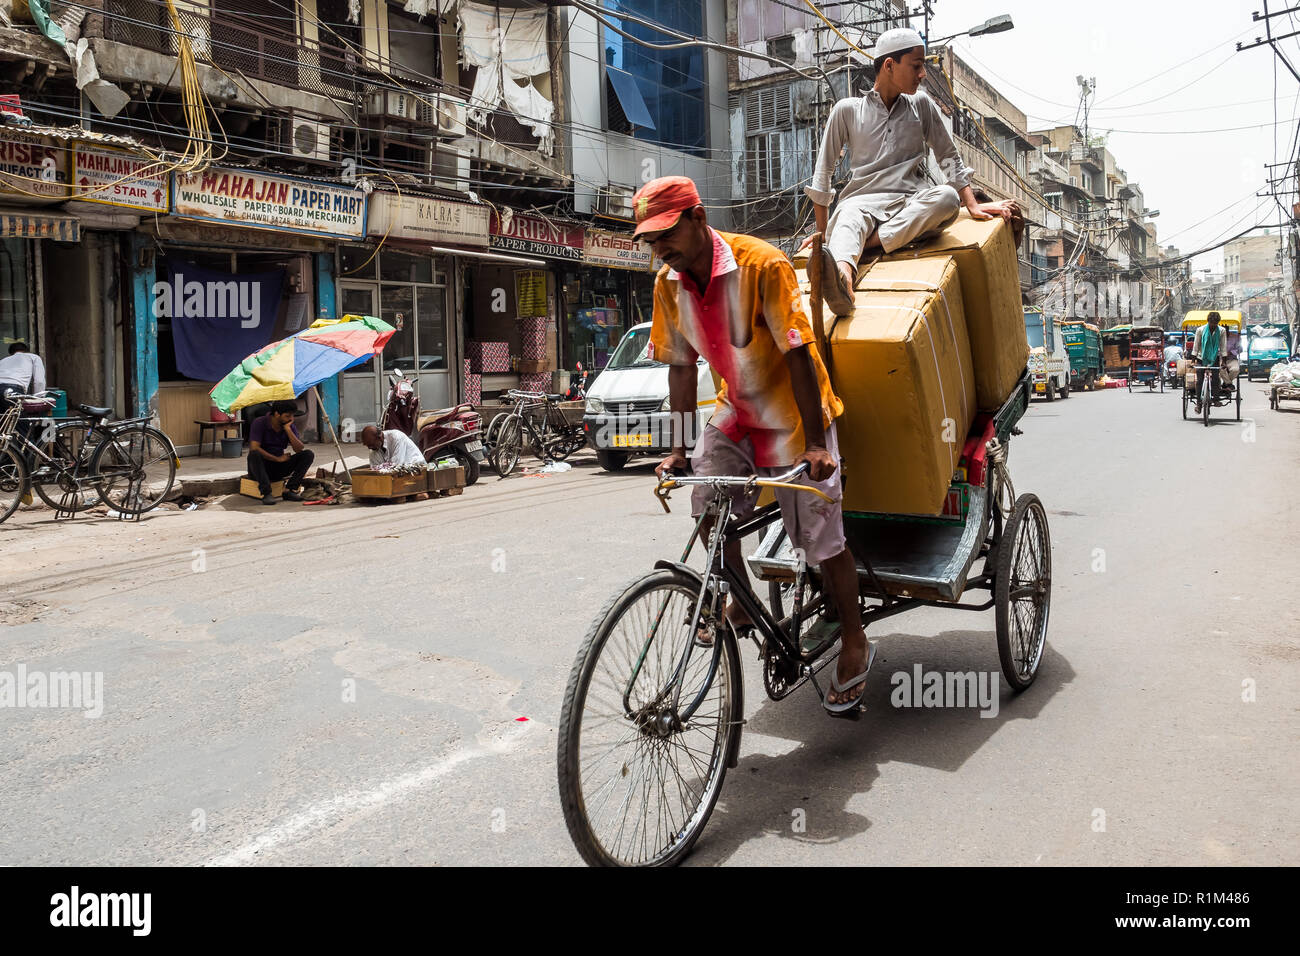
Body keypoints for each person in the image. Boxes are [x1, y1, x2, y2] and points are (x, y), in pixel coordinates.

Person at [634, 174, 872, 715]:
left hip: (793, 415)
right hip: (736, 409)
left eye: (667, 234)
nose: (661, 249)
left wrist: (816, 444)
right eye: (650, 241)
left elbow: (797, 354)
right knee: (706, 500)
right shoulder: (667, 285)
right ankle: (738, 602)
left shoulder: (762, 264)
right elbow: (678, 366)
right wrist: (677, 448)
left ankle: (854, 638)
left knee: (820, 538)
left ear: (698, 219)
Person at [800, 27, 1017, 316]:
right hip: (860, 204)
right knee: (848, 217)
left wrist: (973, 205)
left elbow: (948, 156)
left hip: (910, 203)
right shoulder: (847, 110)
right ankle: (842, 282)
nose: (922, 73)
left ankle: (864, 243)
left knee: (947, 199)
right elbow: (822, 174)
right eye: (916, 66)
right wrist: (821, 236)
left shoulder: (922, 105)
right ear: (889, 65)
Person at [248, 400, 314, 505]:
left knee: (308, 454)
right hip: (260, 468)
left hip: (278, 467)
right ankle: (267, 493)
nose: (291, 419)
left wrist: (288, 429)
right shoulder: (259, 422)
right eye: (287, 416)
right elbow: (254, 447)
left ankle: (289, 490)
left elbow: (298, 449)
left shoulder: (288, 424)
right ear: (277, 414)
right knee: (254, 454)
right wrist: (277, 459)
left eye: (292, 416)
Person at [1191, 312, 1228, 414]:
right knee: (1200, 380)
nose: (1213, 325)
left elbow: (1223, 347)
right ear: (1208, 322)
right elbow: (1196, 346)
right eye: (1211, 323)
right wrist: (1193, 360)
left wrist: (1223, 362)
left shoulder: (1221, 331)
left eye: (1215, 323)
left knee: (1216, 378)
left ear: (1217, 323)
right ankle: (1198, 403)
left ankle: (1216, 399)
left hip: (1214, 358)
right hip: (1200, 357)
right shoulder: (1200, 330)